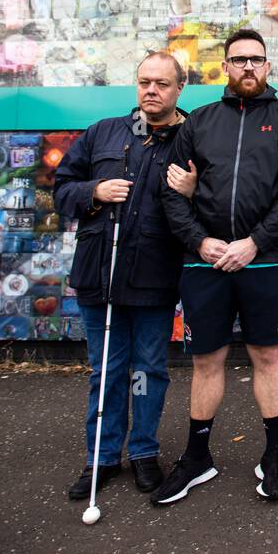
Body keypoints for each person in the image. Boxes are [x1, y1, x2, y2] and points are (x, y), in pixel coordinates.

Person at [156, 28, 278, 504]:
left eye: (257, 59)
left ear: (268, 67)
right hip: (204, 263)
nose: (248, 66)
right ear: (224, 67)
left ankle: (274, 452)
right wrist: (200, 241)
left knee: (267, 356)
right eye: (239, 59)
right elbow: (172, 190)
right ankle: (197, 458)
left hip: (263, 261)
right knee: (207, 360)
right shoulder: (199, 122)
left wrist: (254, 242)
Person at [54, 51, 190, 500]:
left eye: (162, 84)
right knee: (107, 370)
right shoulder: (103, 133)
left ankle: (144, 454)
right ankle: (101, 457)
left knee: (148, 370)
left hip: (154, 275)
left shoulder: (191, 138)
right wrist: (93, 191)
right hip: (100, 272)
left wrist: (194, 189)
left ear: (179, 89)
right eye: (144, 82)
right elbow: (61, 190)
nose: (151, 90)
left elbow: (210, 204)